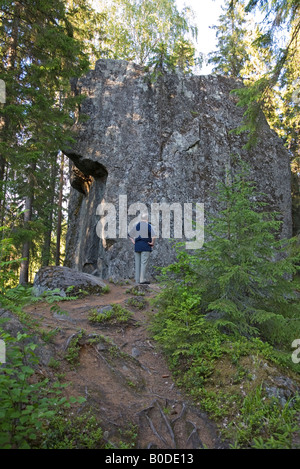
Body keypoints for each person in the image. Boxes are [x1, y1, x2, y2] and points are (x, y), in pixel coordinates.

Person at [128, 212, 156, 285]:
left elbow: (130, 235)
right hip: (145, 246)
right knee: (144, 263)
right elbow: (153, 235)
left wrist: (133, 241)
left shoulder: (137, 226)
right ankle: (142, 280)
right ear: (147, 219)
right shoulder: (148, 225)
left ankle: (137, 280)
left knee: (137, 263)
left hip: (137, 246)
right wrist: (152, 243)